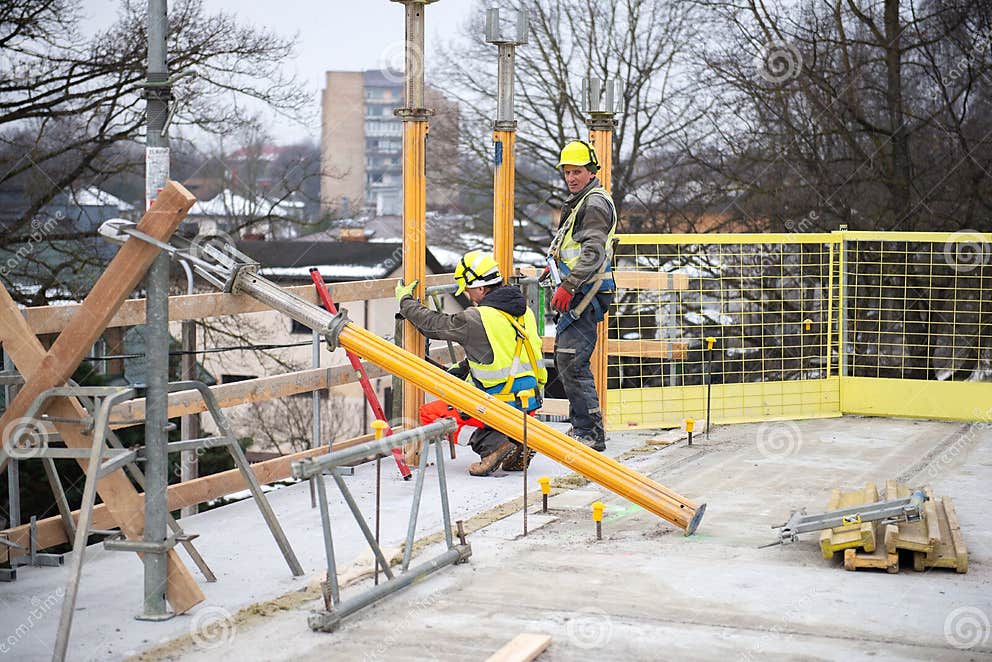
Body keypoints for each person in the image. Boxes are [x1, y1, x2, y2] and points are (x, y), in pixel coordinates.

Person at [395, 250, 547, 476]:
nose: (467, 296)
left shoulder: (477, 318)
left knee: (431, 413)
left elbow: (432, 325)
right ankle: (516, 441)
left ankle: (493, 445)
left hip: (500, 404)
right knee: (479, 404)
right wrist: (465, 368)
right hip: (529, 403)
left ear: (480, 288)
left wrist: (405, 302)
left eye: (467, 290)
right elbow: (503, 350)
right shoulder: (523, 312)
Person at [545, 140, 617, 452]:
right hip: (578, 293)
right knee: (566, 360)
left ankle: (591, 433)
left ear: (591, 172)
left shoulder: (594, 203)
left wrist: (569, 285)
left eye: (577, 172)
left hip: (584, 295)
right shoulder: (581, 201)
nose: (571, 177)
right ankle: (581, 428)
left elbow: (592, 252)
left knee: (573, 363)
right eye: (567, 172)